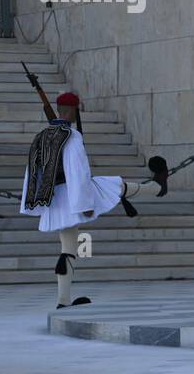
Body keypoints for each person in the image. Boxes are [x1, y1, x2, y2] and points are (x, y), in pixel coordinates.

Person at [20, 92, 169, 308]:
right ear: (72, 111)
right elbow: (78, 172)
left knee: (68, 248)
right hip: (75, 196)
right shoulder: (71, 136)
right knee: (116, 185)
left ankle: (63, 300)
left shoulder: (42, 135)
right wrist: (85, 205)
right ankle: (157, 188)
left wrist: (36, 202)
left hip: (55, 200)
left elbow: (32, 173)